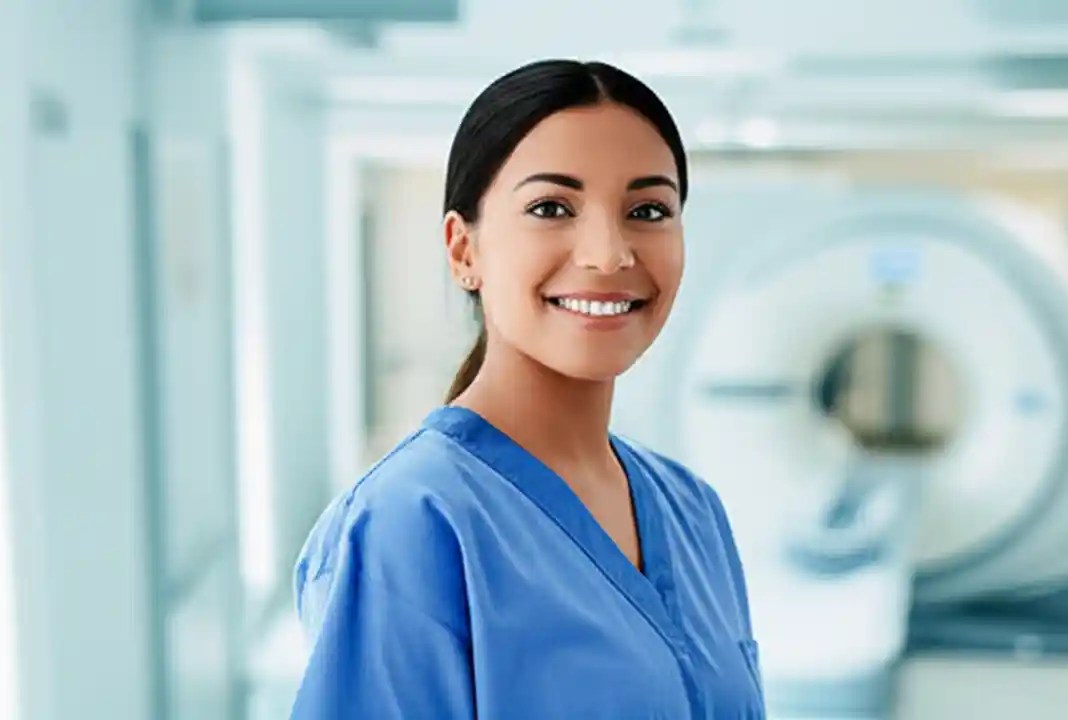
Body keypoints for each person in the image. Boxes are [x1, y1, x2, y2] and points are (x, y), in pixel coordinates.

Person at [290, 58, 764, 719]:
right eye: (551, 207)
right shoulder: (413, 521)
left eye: (648, 209)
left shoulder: (691, 510)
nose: (608, 253)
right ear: (464, 251)